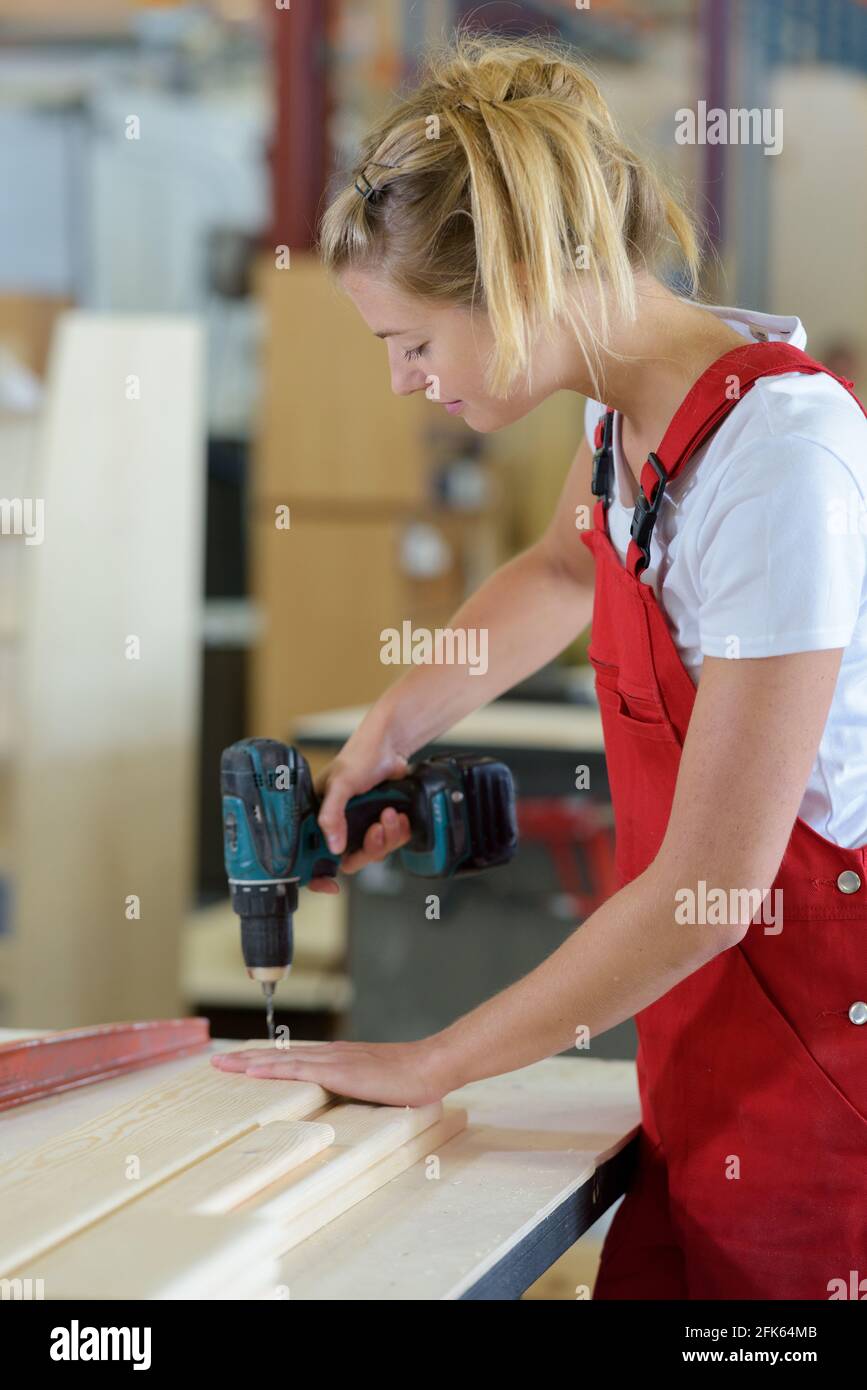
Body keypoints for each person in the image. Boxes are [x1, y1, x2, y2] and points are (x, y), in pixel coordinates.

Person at [212, 30, 867, 1300]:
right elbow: (568, 572)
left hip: (825, 1089)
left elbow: (712, 891)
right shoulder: (630, 412)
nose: (407, 383)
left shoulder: (780, 458)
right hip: (709, 1057)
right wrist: (388, 731)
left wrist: (434, 1059)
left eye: (414, 341)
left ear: (517, 278)